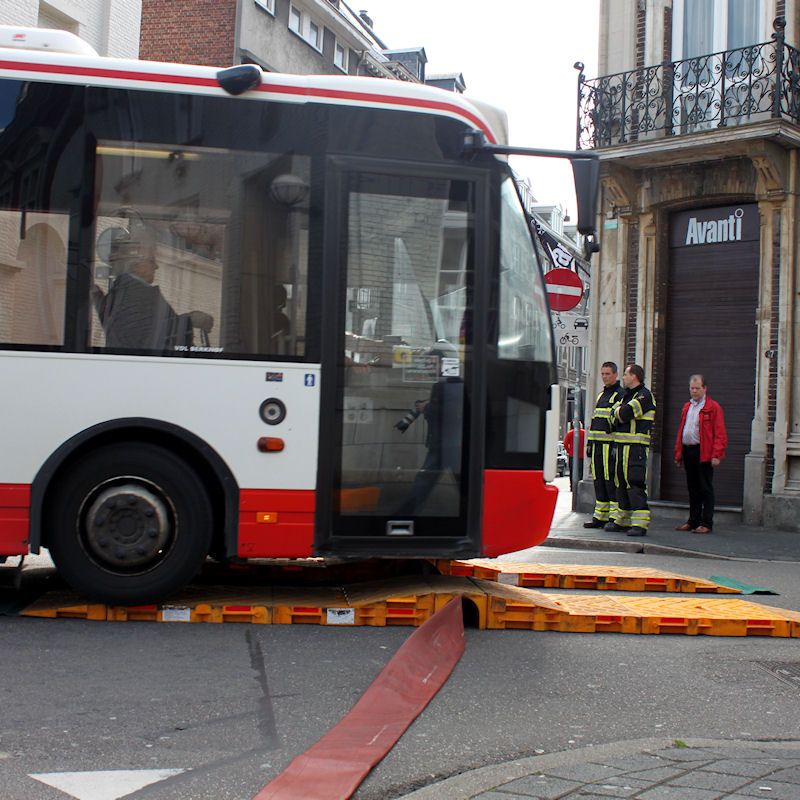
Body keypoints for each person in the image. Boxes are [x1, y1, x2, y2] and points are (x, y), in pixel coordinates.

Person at [98, 229, 213, 350]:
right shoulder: (134, 295)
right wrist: (190, 320)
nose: (156, 266)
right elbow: (149, 338)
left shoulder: (125, 292)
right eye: (152, 261)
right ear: (135, 264)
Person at [605, 364, 656, 536]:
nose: (623, 378)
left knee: (634, 482)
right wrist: (617, 413)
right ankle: (623, 520)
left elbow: (623, 414)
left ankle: (640, 524)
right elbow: (612, 416)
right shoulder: (626, 396)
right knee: (620, 482)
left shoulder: (645, 395)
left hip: (636, 448)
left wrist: (618, 413)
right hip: (621, 447)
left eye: (625, 375)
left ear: (634, 376)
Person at [673, 374, 727, 534]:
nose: (694, 391)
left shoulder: (713, 407)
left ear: (705, 389)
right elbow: (682, 431)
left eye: (697, 388)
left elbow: (719, 432)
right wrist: (678, 454)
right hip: (688, 450)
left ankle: (706, 522)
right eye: (692, 388)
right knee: (692, 488)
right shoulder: (687, 407)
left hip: (703, 452)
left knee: (705, 488)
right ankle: (693, 520)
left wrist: (717, 454)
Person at [583, 361, 623, 528]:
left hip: (609, 446)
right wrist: (590, 443)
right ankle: (600, 516)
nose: (605, 377)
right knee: (598, 480)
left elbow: (619, 422)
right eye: (603, 374)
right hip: (598, 446)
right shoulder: (601, 395)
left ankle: (613, 518)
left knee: (610, 480)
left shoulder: (620, 395)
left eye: (608, 374)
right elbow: (594, 421)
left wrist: (615, 446)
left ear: (615, 375)